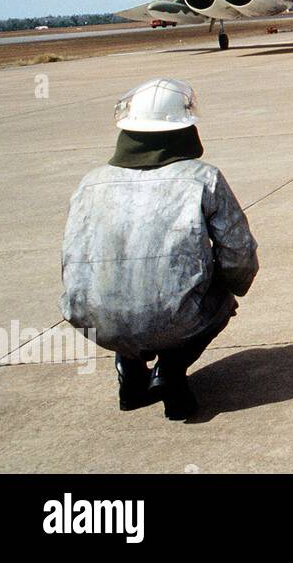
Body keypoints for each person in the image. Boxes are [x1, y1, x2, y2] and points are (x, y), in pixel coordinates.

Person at [60, 77, 258, 421]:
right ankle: (171, 369)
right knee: (221, 299)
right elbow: (238, 255)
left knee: (128, 298)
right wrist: (231, 287)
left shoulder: (89, 182)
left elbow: (73, 259)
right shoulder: (203, 178)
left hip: (94, 322)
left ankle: (131, 372)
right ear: (184, 130)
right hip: (175, 320)